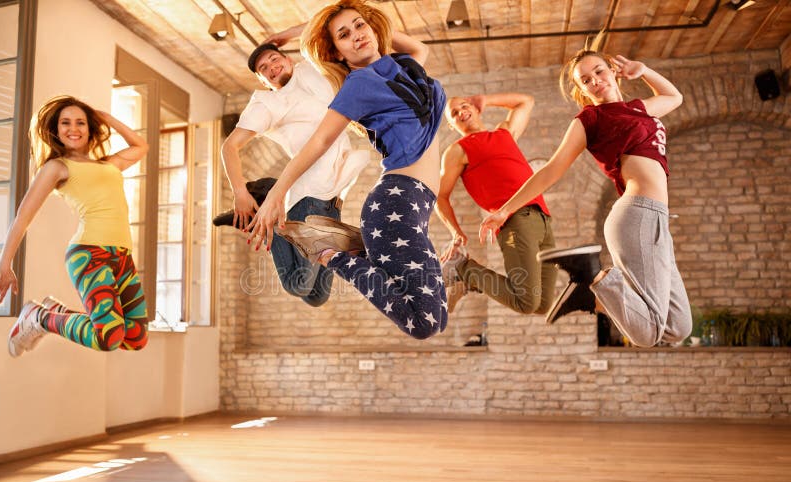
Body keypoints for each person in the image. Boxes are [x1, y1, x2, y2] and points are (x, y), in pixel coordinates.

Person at [247, 0, 447, 340]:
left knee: (439, 320)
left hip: (419, 209)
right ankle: (331, 255)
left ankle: (353, 249)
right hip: (395, 205)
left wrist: (369, 27)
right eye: (343, 34)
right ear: (336, 52)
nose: (356, 35)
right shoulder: (358, 84)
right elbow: (320, 140)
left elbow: (419, 46)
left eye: (359, 26)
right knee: (425, 324)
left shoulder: (403, 65)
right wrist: (278, 192)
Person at [478, 41, 692, 348]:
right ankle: (591, 274)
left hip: (657, 220)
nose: (595, 81)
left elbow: (674, 97)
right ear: (583, 90)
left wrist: (643, 71)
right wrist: (505, 209)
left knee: (677, 328)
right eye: (586, 80)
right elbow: (552, 169)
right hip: (636, 215)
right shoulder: (590, 120)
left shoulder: (638, 109)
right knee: (647, 335)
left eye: (599, 71)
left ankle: (592, 297)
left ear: (614, 72)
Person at [213, 32, 370, 307]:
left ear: (288, 59)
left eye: (274, 59)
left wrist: (286, 35)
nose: (272, 67)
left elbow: (329, 20)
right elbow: (230, 147)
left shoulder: (310, 70)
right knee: (299, 284)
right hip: (308, 196)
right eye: (264, 69)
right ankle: (267, 212)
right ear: (262, 80)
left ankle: (266, 197)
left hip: (333, 199)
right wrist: (239, 191)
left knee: (316, 297)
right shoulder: (268, 103)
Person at [0, 96, 150, 356]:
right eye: (65, 123)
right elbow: (23, 215)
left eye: (80, 123)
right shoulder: (57, 167)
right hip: (90, 254)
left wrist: (107, 119)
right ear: (56, 130)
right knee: (108, 337)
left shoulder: (107, 164)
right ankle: (39, 317)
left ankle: (57, 313)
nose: (73, 128)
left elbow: (140, 146)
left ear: (90, 129)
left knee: (136, 337)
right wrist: (4, 264)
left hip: (122, 256)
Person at [437, 92, 558, 315]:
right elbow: (440, 196)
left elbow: (527, 101)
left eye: (464, 106)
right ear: (451, 124)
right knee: (526, 302)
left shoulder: (504, 133)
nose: (461, 112)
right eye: (454, 113)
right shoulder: (457, 150)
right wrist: (455, 232)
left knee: (542, 306)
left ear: (474, 108)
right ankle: (464, 269)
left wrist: (487, 100)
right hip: (514, 221)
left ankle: (469, 278)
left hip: (543, 218)